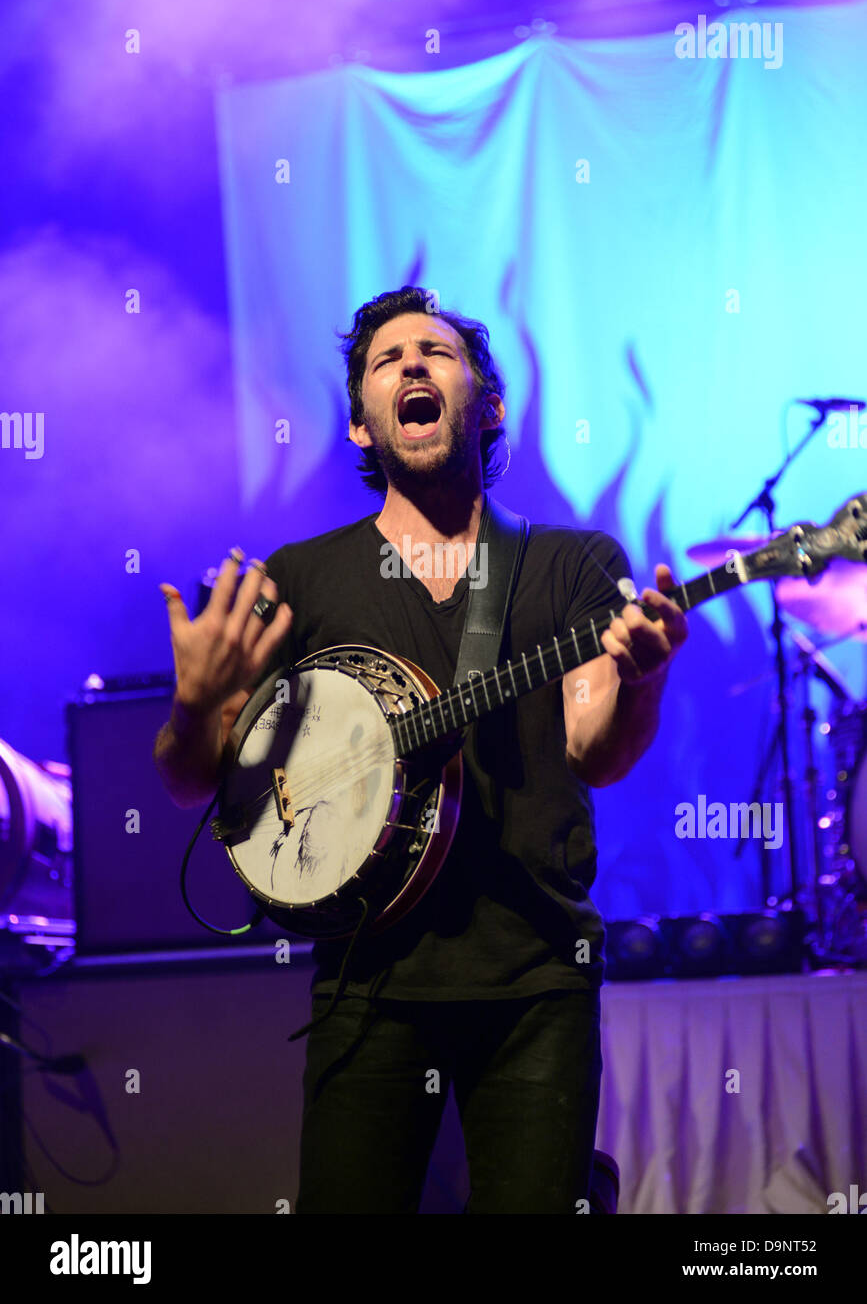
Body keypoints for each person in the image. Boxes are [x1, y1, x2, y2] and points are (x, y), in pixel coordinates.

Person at [154, 286, 688, 1213]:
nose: (409, 365)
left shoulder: (572, 564)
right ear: (360, 424)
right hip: (367, 987)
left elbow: (594, 751)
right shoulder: (302, 578)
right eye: (384, 359)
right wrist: (197, 708)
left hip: (535, 982)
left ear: (489, 406)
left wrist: (641, 681)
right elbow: (188, 781)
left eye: (436, 354)